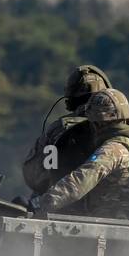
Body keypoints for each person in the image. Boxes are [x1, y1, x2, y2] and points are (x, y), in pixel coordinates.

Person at [30, 88, 129, 220]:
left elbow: (81, 180)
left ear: (99, 123)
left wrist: (41, 203)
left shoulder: (112, 150)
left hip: (110, 224)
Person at [22, 64, 113, 194]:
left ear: (70, 100)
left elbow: (35, 176)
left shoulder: (58, 129)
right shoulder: (120, 130)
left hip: (60, 203)